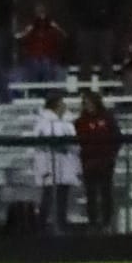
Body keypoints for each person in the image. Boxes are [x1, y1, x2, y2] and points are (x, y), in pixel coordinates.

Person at [30, 89, 80, 231]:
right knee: (49, 195)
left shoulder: (66, 121)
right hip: (50, 164)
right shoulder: (43, 122)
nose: (65, 105)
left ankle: (61, 222)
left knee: (63, 195)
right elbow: (44, 141)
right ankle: (42, 223)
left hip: (65, 165)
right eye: (62, 102)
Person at [74, 88, 122, 232]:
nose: (88, 105)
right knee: (91, 193)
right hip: (88, 162)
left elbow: (117, 137)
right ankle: (93, 222)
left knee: (106, 192)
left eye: (90, 102)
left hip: (106, 161)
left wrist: (111, 154)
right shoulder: (80, 121)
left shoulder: (107, 118)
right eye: (85, 103)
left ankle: (107, 221)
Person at [68, 0, 120, 78]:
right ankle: (85, 88)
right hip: (86, 27)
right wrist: (80, 19)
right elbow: (73, 4)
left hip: (105, 27)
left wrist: (110, 17)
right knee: (85, 58)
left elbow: (116, 3)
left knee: (106, 57)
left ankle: (108, 87)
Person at [14, 1, 68, 84]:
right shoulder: (30, 26)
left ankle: (49, 90)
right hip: (33, 58)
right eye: (39, 11)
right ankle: (34, 91)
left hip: (49, 58)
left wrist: (57, 27)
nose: (41, 13)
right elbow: (20, 37)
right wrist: (26, 30)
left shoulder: (52, 26)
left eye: (43, 10)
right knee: (34, 64)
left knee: (47, 64)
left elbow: (63, 35)